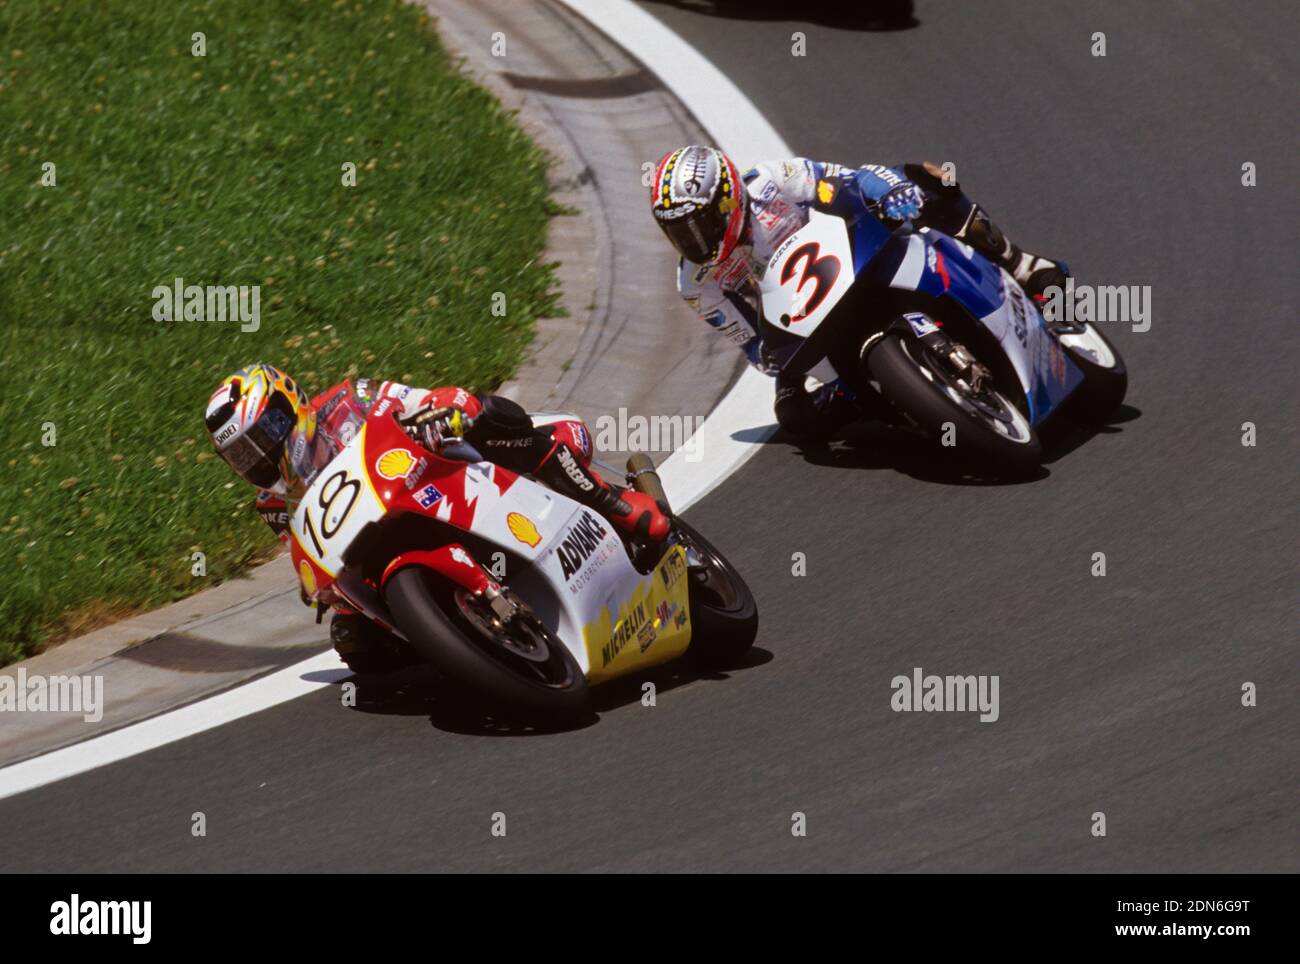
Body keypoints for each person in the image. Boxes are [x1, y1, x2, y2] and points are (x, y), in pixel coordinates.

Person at [203, 364, 668, 670]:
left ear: (288, 407)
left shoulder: (349, 401)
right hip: (382, 543)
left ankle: (615, 505)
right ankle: (467, 650)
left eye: (260, 436)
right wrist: (324, 591)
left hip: (446, 477)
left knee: (487, 419)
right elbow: (312, 562)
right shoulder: (273, 505)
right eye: (241, 455)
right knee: (354, 643)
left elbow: (417, 400)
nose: (257, 457)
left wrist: (444, 409)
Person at [649, 145, 1069, 439]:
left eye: (698, 224)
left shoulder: (772, 182)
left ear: (729, 200)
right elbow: (752, 344)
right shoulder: (697, 284)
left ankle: (1020, 263)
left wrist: (886, 189)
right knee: (797, 419)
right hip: (802, 323)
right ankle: (893, 402)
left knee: (926, 178)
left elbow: (846, 179)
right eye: (677, 232)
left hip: (856, 255)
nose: (693, 241)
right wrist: (779, 364)